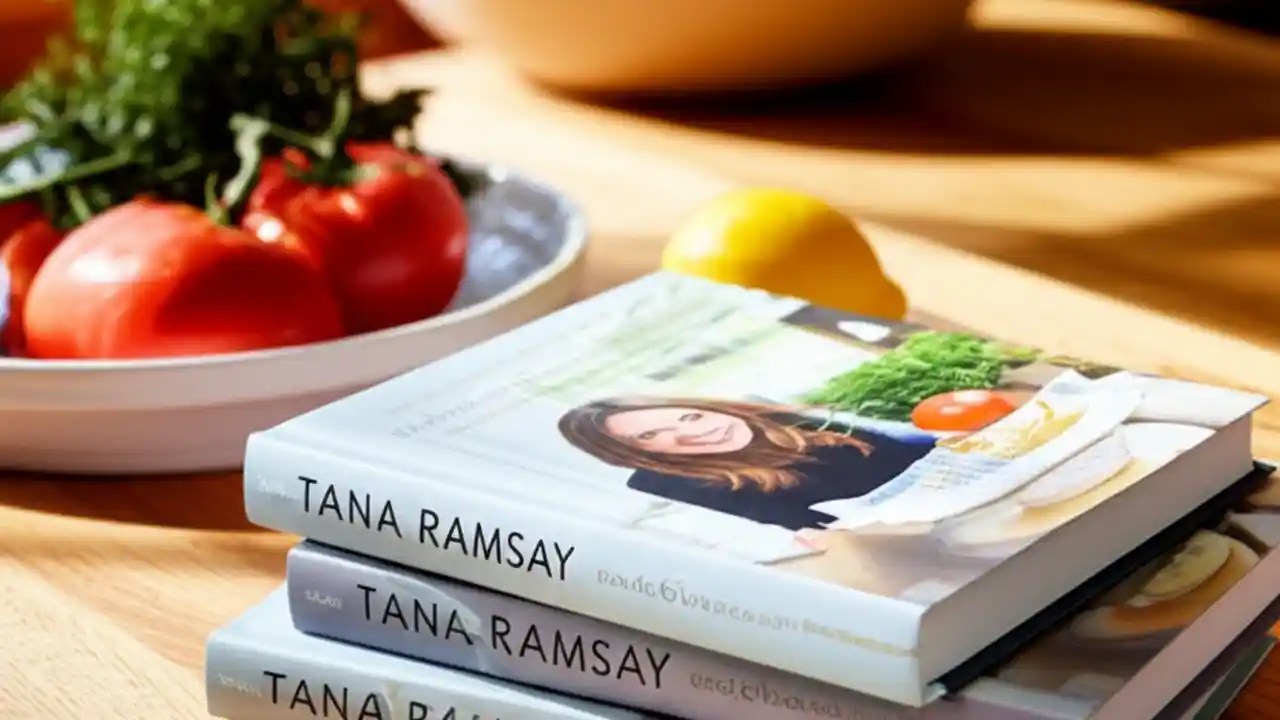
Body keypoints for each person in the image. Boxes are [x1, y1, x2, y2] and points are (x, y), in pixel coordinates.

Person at [558, 397, 934, 531]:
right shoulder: (684, 491)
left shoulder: (778, 420)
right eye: (649, 437)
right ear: (641, 457)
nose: (694, 433)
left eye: (691, 418)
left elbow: (912, 446)